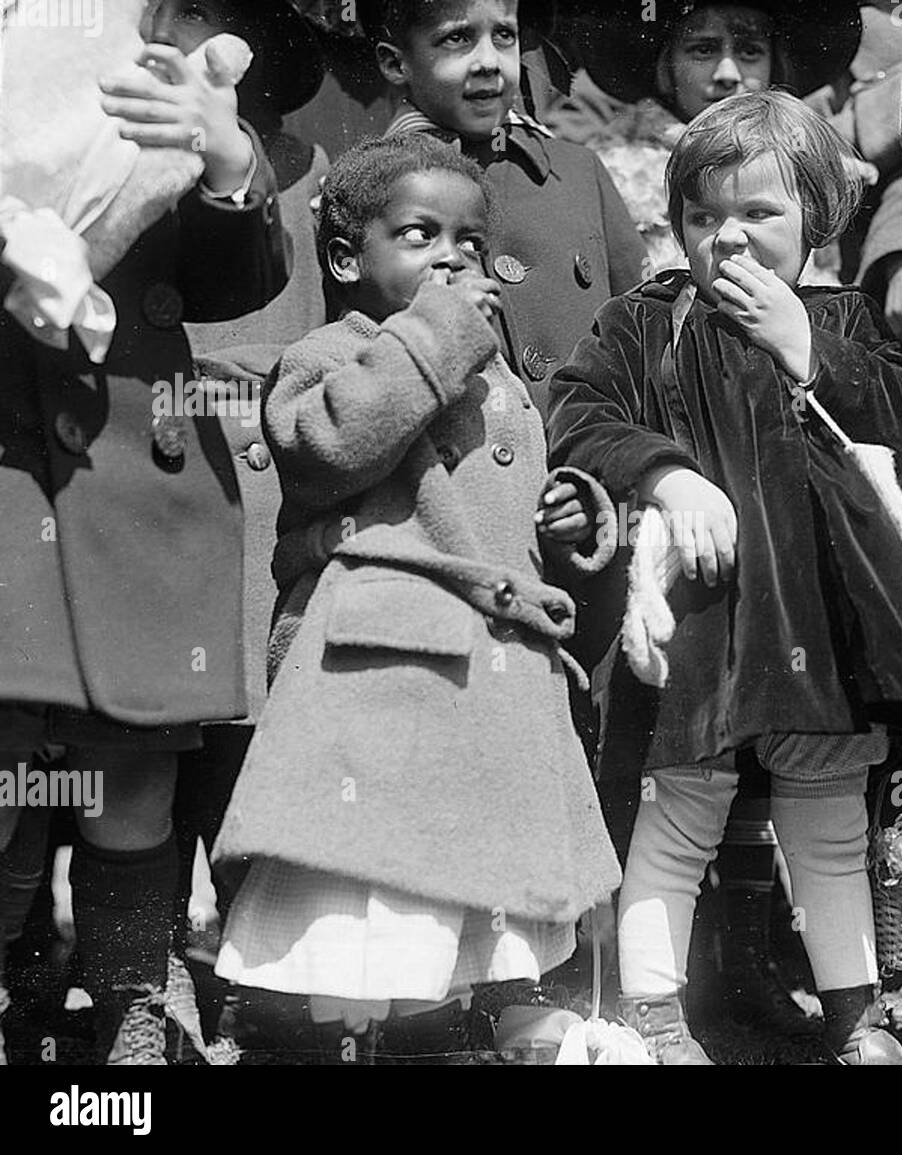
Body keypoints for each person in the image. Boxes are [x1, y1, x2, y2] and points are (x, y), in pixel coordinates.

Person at [547, 90, 902, 1065]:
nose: (726, 238)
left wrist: (803, 346)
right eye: (703, 216)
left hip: (819, 616)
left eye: (757, 214)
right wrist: (668, 473)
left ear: (816, 216)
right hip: (701, 619)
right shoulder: (647, 320)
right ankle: (654, 1012)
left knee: (822, 826)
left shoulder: (845, 317)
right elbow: (578, 409)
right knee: (679, 813)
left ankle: (857, 1019)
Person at [210, 133, 622, 1063]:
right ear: (349, 259)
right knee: (364, 900)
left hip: (479, 680)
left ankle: (433, 1031)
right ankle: (313, 1035)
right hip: (381, 679)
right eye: (419, 234)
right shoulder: (331, 354)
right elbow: (334, 446)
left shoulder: (494, 376)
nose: (451, 257)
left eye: (469, 242)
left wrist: (571, 516)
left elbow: (501, 497)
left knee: (446, 909)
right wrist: (438, 329)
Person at [0, 7, 287, 1063]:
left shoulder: (139, 55)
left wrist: (220, 152)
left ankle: (132, 990)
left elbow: (234, 275)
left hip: (132, 461)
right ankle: (15, 982)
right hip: (10, 470)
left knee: (132, 764)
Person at [358, 0, 648, 411]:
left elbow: (641, 327)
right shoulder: (374, 190)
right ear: (394, 63)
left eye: (504, 35)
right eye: (458, 38)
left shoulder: (576, 170)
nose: (488, 63)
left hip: (595, 445)